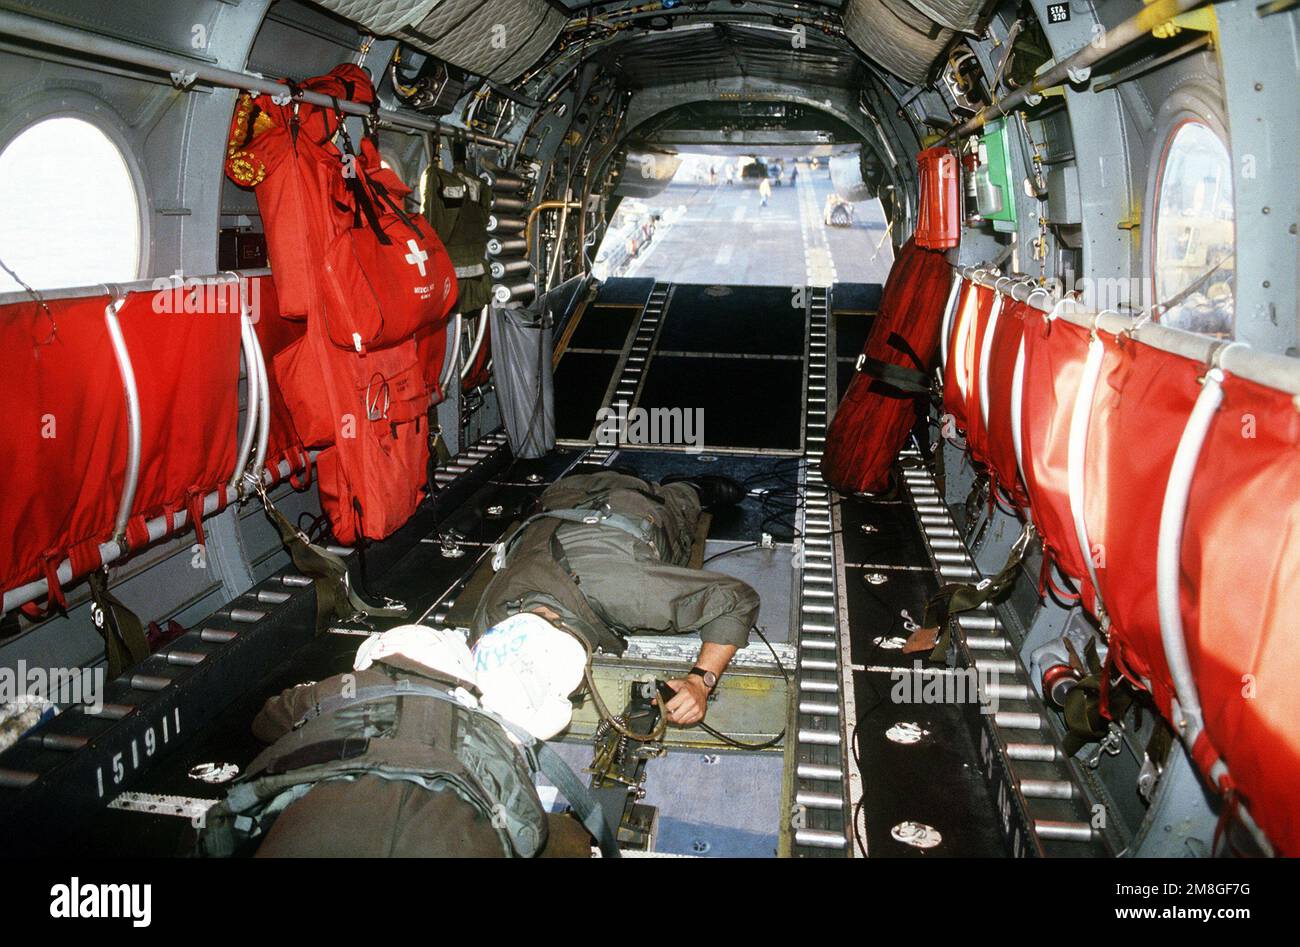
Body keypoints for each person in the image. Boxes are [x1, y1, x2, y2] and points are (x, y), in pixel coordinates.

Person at [195, 623, 603, 858]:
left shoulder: (346, 687)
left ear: (377, 658)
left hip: (318, 834)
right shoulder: (488, 723)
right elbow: (527, 826)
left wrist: (317, 696)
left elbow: (266, 722)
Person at [473, 470, 759, 727]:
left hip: (628, 496)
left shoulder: (632, 594)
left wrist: (701, 681)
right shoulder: (490, 624)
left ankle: (687, 486)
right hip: (562, 490)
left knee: (678, 504)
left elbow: (736, 598)